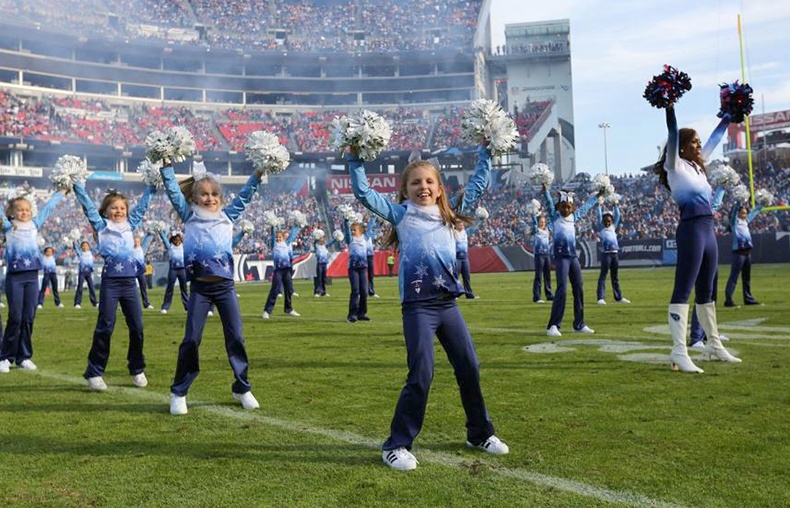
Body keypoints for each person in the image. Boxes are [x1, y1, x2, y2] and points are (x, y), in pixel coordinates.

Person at [348, 144, 508, 471]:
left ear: (439, 189)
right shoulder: (402, 214)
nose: (423, 187)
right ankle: (396, 444)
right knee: (422, 372)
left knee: (469, 366)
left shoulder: (450, 214)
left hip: (448, 306)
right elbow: (363, 193)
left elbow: (477, 183)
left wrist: (486, 153)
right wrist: (355, 158)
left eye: (429, 182)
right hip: (418, 308)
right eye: (415, 183)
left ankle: (479, 433)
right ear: (405, 191)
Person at [159, 162, 263, 416]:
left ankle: (242, 386)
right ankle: (179, 391)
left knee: (236, 337)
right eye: (204, 194)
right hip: (200, 290)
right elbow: (173, 191)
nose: (210, 198)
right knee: (192, 339)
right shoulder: (189, 216)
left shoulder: (228, 216)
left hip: (225, 287)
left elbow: (246, 194)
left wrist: (258, 174)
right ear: (194, 198)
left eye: (215, 194)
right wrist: (167, 169)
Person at [654, 104, 740, 373]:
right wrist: (669, 108)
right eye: (694, 142)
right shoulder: (674, 165)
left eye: (699, 142)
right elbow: (671, 130)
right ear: (681, 147)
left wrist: (727, 118)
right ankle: (679, 350)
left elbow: (714, 139)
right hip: (691, 229)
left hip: (708, 229)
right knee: (684, 288)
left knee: (707, 292)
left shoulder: (698, 167)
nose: (700, 146)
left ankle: (713, 344)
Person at [73, 184, 155, 389]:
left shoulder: (131, 224)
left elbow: (143, 206)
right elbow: (88, 206)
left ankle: (137, 368)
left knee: (137, 327)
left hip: (130, 283)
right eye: (114, 208)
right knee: (105, 326)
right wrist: (76, 185)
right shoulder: (101, 226)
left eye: (122, 208)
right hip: (111, 282)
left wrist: (153, 186)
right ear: (106, 211)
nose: (119, 211)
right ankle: (94, 372)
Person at [0, 189, 65, 373]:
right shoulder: (8, 226)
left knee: (28, 318)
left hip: (32, 277)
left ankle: (24, 357)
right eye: (20, 210)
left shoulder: (35, 224)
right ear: (12, 213)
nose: (24, 213)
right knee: (15, 317)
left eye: (27, 210)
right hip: (15, 278)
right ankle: (5, 357)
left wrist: (62, 190)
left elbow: (49, 207)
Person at [541, 185, 597, 337]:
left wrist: (598, 196)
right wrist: (545, 189)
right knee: (562, 290)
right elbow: (548, 202)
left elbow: (586, 207)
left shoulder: (574, 217)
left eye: (568, 207)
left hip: (573, 258)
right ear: (558, 207)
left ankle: (579, 324)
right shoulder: (554, 217)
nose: (565, 210)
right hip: (561, 258)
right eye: (563, 207)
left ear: (572, 208)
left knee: (578, 288)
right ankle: (553, 325)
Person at [724, 201, 763, 307]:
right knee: (734, 277)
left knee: (746, 278)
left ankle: (748, 299)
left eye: (745, 213)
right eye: (742, 213)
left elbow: (754, 213)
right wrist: (738, 203)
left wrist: (762, 204)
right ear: (738, 214)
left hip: (747, 253)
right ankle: (728, 300)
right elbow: (732, 214)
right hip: (739, 253)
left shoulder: (745, 221)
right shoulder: (734, 222)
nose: (745, 215)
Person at [595, 203, 630, 305]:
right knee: (603, 276)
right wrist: (599, 206)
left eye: (609, 220)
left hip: (615, 254)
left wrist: (615, 205)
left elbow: (618, 216)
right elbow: (598, 216)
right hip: (606, 255)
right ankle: (600, 298)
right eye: (606, 220)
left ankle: (618, 298)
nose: (608, 222)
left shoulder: (613, 227)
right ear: (603, 221)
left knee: (615, 277)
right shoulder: (601, 228)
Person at [261, 228, 300, 319]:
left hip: (287, 270)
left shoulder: (286, 243)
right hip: (278, 270)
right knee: (275, 289)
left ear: (283, 238)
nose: (278, 239)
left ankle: (289, 309)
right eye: (277, 237)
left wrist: (297, 225)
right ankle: (267, 311)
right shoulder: (274, 244)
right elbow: (272, 235)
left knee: (289, 289)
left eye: (280, 237)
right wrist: (273, 226)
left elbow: (292, 235)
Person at [343, 217, 369, 322]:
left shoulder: (365, 237)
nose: (353, 231)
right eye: (352, 230)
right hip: (353, 268)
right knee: (355, 291)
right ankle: (352, 314)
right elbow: (346, 231)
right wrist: (346, 221)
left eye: (355, 230)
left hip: (363, 268)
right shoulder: (350, 239)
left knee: (364, 291)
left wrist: (374, 217)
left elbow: (371, 227)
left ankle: (361, 313)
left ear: (360, 230)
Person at [159, 230, 188, 314]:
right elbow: (164, 240)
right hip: (173, 270)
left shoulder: (183, 246)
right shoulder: (170, 246)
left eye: (178, 240)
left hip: (182, 269)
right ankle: (165, 307)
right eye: (175, 240)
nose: (177, 241)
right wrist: (161, 233)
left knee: (184, 288)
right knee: (170, 288)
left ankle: (187, 306)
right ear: (173, 240)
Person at [530, 214, 553, 304]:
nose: (543, 223)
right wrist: (534, 213)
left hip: (547, 255)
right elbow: (534, 223)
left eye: (544, 222)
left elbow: (552, 220)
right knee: (538, 276)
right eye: (541, 222)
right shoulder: (536, 230)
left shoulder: (547, 230)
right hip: (539, 255)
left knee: (547, 276)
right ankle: (537, 296)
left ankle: (549, 295)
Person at [454, 221, 477, 299]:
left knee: (466, 276)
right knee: (455, 276)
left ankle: (469, 294)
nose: (462, 226)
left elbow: (474, 229)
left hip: (465, 258)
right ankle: (454, 294)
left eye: (462, 224)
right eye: (460, 224)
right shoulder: (453, 233)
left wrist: (480, 220)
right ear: (456, 225)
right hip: (456, 257)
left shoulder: (465, 232)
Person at [73, 240, 98, 309]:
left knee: (92, 288)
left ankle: (94, 302)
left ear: (89, 247)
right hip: (82, 272)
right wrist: (74, 241)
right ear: (81, 247)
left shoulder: (91, 253)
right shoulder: (80, 253)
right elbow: (75, 248)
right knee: (80, 288)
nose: (85, 247)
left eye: (86, 245)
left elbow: (98, 249)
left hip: (89, 272)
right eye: (83, 245)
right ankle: (77, 303)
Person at [133, 234, 154, 309]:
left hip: (140, 271)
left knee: (143, 287)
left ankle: (146, 304)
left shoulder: (142, 249)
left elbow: (147, 240)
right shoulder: (130, 250)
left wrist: (150, 233)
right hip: (132, 271)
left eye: (138, 241)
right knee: (128, 288)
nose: (136, 243)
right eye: (135, 241)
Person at [365, 216, 380, 298]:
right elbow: (370, 227)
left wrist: (380, 224)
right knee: (363, 275)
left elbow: (376, 232)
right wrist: (374, 216)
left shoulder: (369, 234)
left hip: (370, 256)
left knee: (370, 275)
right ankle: (362, 292)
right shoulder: (365, 235)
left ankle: (371, 292)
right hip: (363, 255)